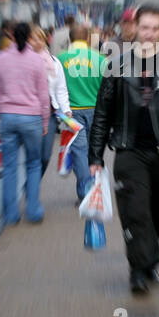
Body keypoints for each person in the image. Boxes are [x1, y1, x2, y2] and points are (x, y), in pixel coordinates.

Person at [88, 5, 159, 295]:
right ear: (134, 29)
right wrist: (95, 155)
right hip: (129, 151)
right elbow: (102, 112)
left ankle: (149, 255)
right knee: (135, 211)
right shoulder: (116, 66)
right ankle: (138, 270)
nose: (149, 34)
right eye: (145, 28)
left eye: (155, 28)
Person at [0, 23, 51, 225]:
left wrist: (2, 112)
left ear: (12, 37)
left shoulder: (0, 58)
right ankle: (33, 210)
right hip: (32, 117)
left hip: (8, 116)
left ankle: (11, 214)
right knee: (33, 164)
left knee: (9, 167)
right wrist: (45, 120)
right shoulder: (36, 60)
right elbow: (43, 94)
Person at [58, 23, 108, 201]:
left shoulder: (61, 59)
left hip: (72, 113)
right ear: (88, 39)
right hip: (96, 110)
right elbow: (107, 88)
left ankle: (86, 191)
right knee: (94, 150)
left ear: (70, 39)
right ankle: (91, 188)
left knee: (79, 151)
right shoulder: (101, 59)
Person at [29, 26, 71, 182]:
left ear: (45, 40)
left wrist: (66, 109)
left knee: (45, 156)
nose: (37, 42)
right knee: (32, 155)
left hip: (50, 114)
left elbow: (61, 89)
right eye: (33, 38)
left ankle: (31, 183)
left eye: (40, 38)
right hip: (30, 113)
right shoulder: (24, 62)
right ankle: (31, 187)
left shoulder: (54, 62)